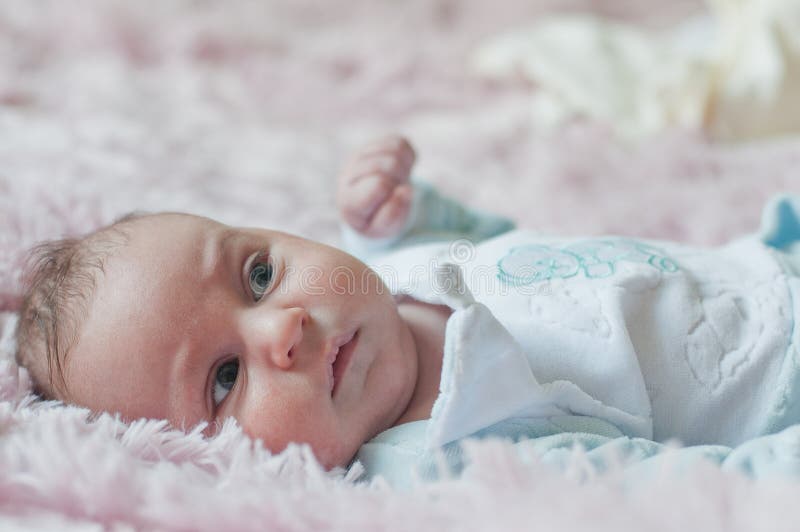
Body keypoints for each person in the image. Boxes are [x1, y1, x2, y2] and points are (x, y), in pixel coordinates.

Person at [13, 136, 800, 477]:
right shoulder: (454, 448)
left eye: (257, 275)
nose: (282, 326)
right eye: (224, 380)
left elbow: (509, 249)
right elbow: (670, 489)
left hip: (761, 264)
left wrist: (403, 211)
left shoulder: (380, 282)